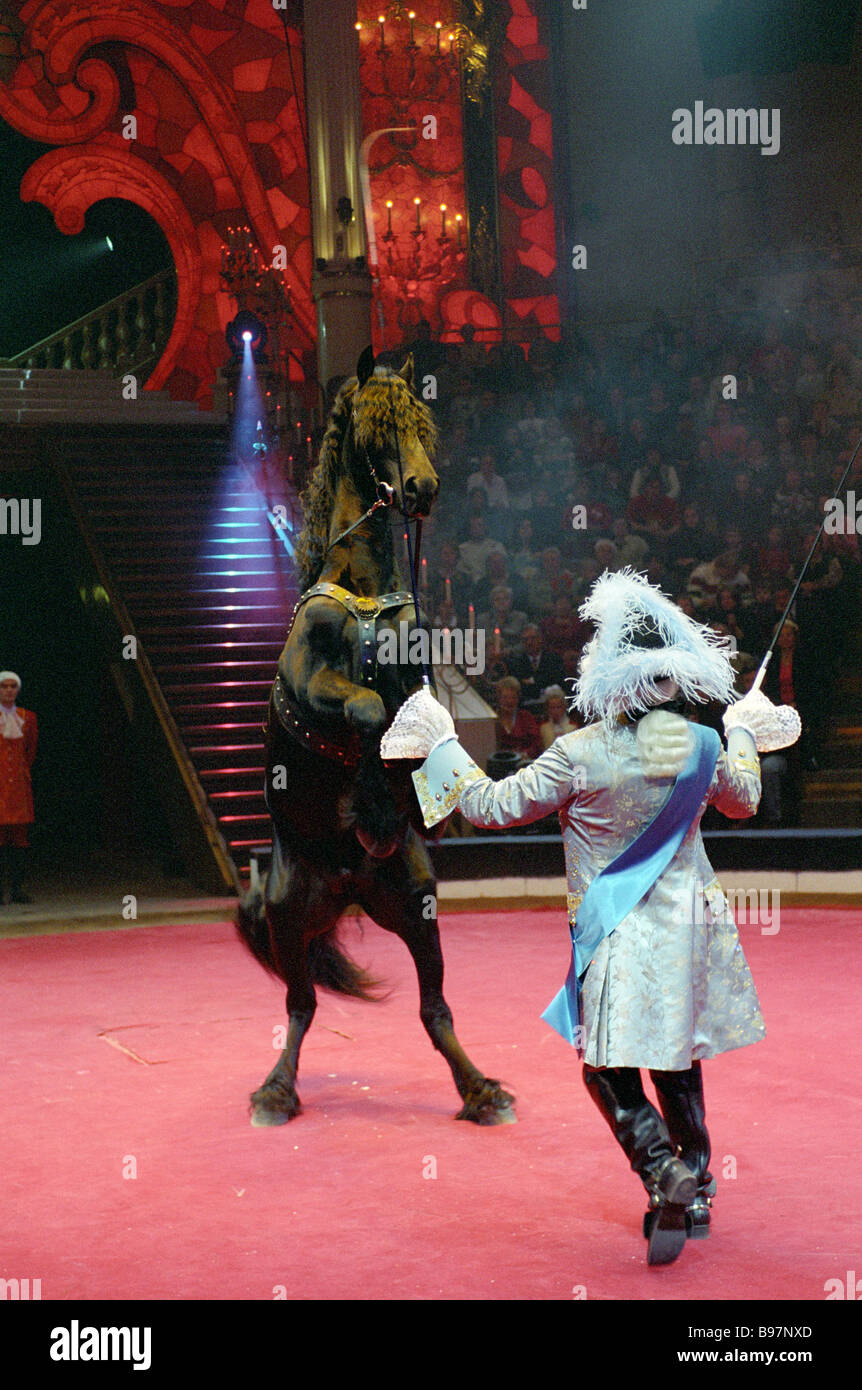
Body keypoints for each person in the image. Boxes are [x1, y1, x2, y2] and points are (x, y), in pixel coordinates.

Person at [385, 571, 798, 1266]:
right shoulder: (699, 745)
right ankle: (692, 1186)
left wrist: (441, 740)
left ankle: (663, 1168)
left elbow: (489, 809)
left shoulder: (578, 755)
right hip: (691, 929)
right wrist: (742, 734)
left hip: (616, 933)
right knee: (676, 1053)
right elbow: (746, 800)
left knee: (606, 1070)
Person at [0, 671, 37, 905]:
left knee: (20, 840)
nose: (9, 690)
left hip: (19, 787)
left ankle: (17, 889)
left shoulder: (28, 717)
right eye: (4, 686)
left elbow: (30, 751)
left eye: (13, 686)